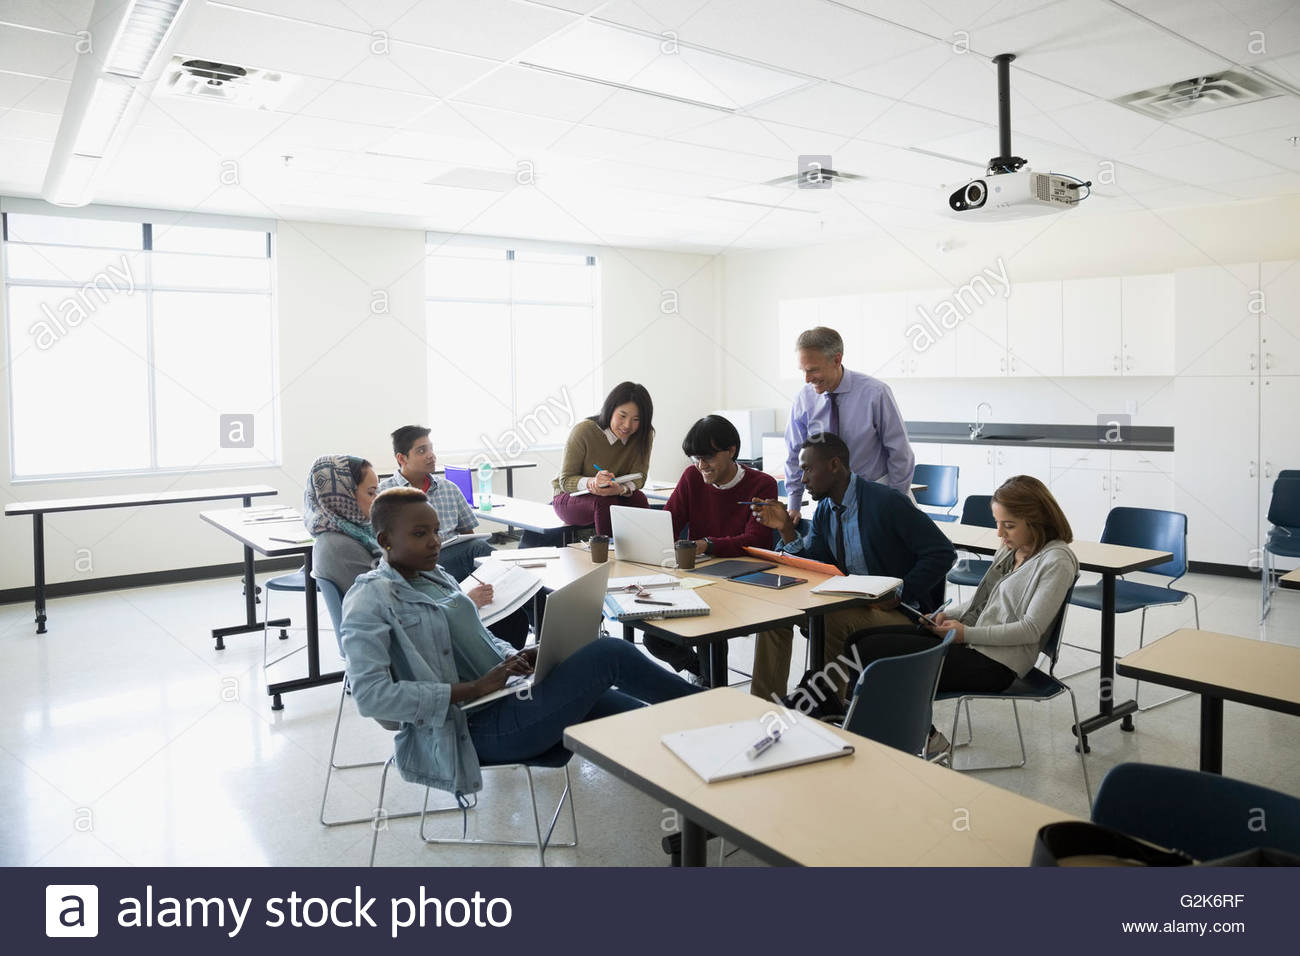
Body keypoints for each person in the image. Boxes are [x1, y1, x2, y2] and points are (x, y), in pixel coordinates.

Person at [339, 486, 699, 797]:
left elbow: (477, 640)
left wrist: (518, 657)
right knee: (611, 654)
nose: (435, 542)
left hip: (511, 697)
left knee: (645, 723)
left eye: (435, 530)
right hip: (471, 729)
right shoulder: (370, 599)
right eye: (420, 534)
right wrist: (474, 688)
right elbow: (372, 698)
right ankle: (717, 712)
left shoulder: (435, 574)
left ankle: (714, 775)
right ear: (386, 541)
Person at [847, 475, 1079, 756]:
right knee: (859, 642)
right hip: (970, 644)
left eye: (1008, 525)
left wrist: (965, 633)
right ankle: (876, 729)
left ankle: (905, 737)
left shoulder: (1057, 560)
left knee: (877, 657)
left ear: (1037, 520)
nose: (999, 534)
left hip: (996, 664)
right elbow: (982, 600)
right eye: (998, 523)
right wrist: (945, 615)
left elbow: (1030, 629)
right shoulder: (1011, 549)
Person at [752, 434, 955, 705]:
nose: (803, 480)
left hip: (900, 613)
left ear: (835, 465)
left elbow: (942, 552)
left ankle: (828, 709)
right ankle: (761, 707)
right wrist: (787, 531)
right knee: (774, 617)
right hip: (851, 604)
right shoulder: (825, 509)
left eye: (808, 469)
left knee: (831, 620)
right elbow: (816, 565)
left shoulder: (886, 502)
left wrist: (901, 591)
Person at [304, 454, 524, 647]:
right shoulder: (340, 547)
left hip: (415, 624)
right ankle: (508, 688)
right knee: (511, 620)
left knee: (509, 616)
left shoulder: (350, 533)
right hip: (409, 642)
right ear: (344, 496)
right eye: (371, 493)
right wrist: (464, 602)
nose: (377, 500)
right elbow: (397, 613)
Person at [644, 415, 790, 686]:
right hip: (699, 575)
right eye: (695, 458)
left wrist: (708, 544)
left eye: (708, 457)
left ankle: (712, 682)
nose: (701, 466)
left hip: (744, 578)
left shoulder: (762, 484)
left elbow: (756, 542)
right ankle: (701, 669)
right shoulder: (692, 477)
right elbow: (668, 523)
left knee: (711, 629)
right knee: (653, 638)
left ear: (731, 450)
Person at [783, 326, 915, 523]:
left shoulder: (875, 393)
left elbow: (900, 453)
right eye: (803, 370)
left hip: (878, 494)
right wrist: (794, 504)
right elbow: (795, 454)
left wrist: (894, 500)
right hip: (830, 501)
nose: (807, 379)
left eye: (813, 370)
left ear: (837, 360)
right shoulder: (803, 399)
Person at [379, 426, 492, 582]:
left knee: (490, 565)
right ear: (402, 458)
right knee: (479, 549)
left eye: (431, 449)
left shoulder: (449, 488)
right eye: (421, 451)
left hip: (453, 560)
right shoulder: (384, 494)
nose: (431, 456)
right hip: (414, 566)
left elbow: (468, 534)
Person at [551, 382, 654, 536]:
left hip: (613, 494)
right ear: (611, 409)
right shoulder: (583, 431)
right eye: (622, 416)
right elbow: (565, 481)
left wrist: (621, 488)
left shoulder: (643, 435)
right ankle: (607, 553)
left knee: (638, 498)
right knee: (604, 500)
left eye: (636, 419)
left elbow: (640, 476)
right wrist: (592, 482)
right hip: (568, 497)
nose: (627, 425)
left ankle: (647, 549)